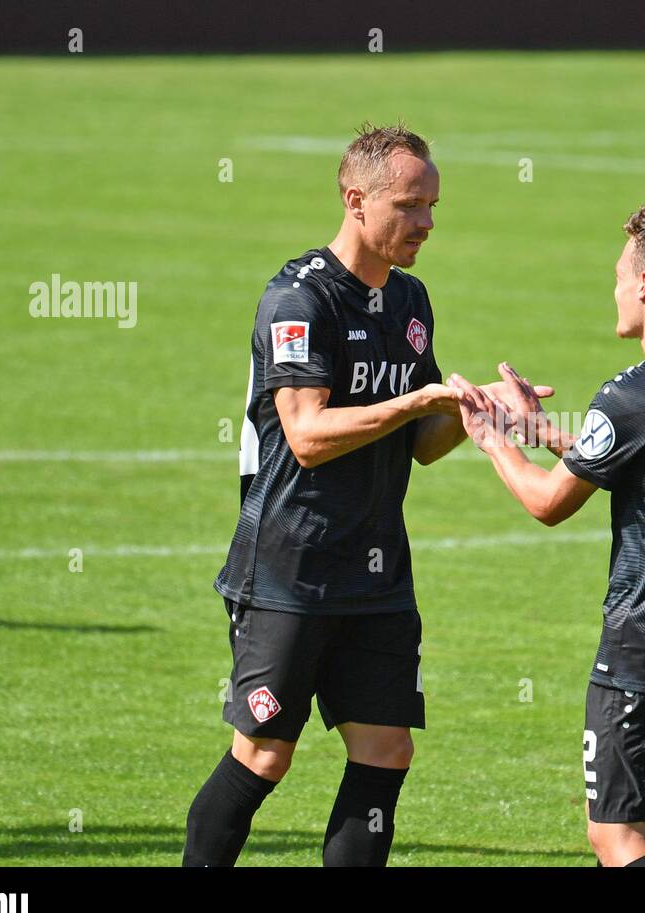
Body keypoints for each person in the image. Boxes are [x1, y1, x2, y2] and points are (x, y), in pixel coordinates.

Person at [183, 123, 548, 867]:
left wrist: (475, 416)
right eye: (410, 206)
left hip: (377, 575)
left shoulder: (410, 303)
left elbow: (420, 446)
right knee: (263, 758)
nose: (427, 223)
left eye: (433, 206)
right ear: (356, 200)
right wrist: (418, 403)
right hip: (290, 568)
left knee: (386, 751)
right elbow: (308, 435)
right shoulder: (297, 299)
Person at [455, 199, 645, 866]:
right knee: (630, 831)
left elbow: (547, 503)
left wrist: (495, 441)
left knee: (617, 837)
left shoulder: (633, 393)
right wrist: (551, 434)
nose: (615, 287)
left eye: (621, 274)